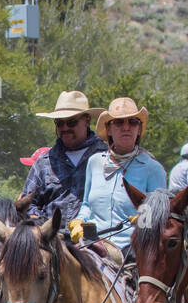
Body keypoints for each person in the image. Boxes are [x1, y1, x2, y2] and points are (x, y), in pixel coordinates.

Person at [70, 97, 167, 256]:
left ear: (139, 130)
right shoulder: (94, 163)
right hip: (93, 246)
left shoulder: (153, 169)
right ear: (108, 129)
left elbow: (159, 219)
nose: (126, 127)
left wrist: (143, 220)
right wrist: (79, 221)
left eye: (133, 122)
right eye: (119, 122)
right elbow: (87, 205)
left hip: (132, 252)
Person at [20, 90, 107, 223]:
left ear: (87, 120)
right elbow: (27, 203)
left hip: (94, 236)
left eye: (71, 122)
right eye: (60, 123)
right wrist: (40, 223)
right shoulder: (44, 162)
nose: (65, 128)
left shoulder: (106, 157)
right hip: (50, 239)